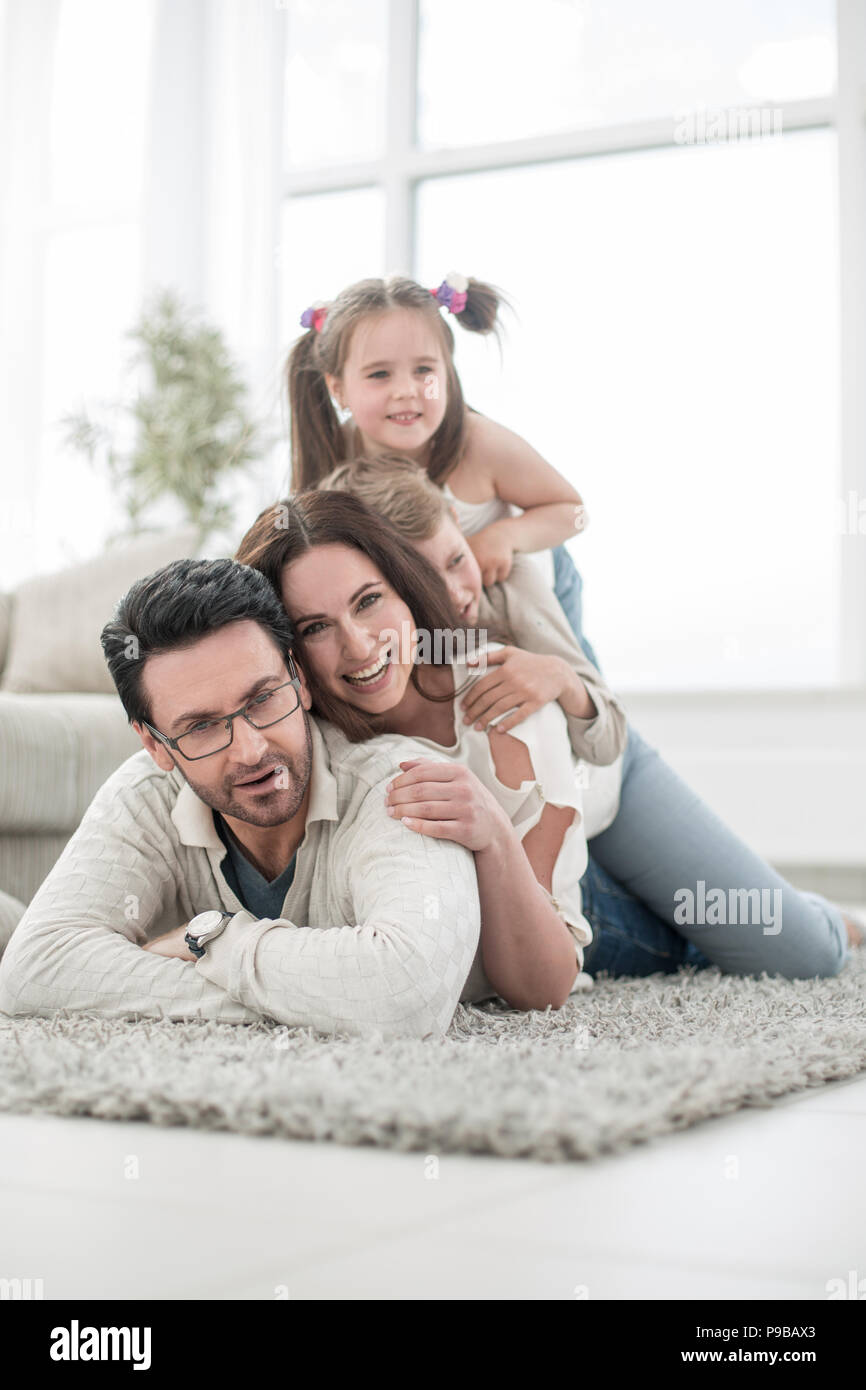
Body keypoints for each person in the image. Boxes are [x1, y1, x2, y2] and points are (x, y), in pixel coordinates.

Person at [309, 454, 860, 981]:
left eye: (457, 560)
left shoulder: (507, 587)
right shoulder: (381, 650)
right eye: (425, 581)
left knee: (794, 949)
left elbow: (606, 739)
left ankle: (812, 915)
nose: (454, 595)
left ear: (458, 522)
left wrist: (561, 678)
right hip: (539, 826)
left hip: (606, 779)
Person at [0, 557, 486, 1038]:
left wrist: (212, 943)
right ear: (154, 745)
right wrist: (319, 1000)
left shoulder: (401, 784)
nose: (251, 749)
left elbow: (408, 997)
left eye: (263, 699)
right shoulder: (144, 794)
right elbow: (33, 973)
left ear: (298, 677)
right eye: (203, 727)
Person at [234, 489, 629, 1010]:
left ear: (406, 590)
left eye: (368, 600)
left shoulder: (507, 700)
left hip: (604, 918)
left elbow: (541, 988)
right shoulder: (294, 740)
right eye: (315, 628)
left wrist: (493, 835)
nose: (358, 646)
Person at [286, 271, 599, 666]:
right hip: (438, 610)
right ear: (338, 389)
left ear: (448, 374)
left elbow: (574, 511)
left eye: (424, 371)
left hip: (525, 590)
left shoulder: (479, 444)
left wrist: (504, 536)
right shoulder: (336, 458)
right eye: (380, 374)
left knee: (575, 689)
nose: (407, 390)